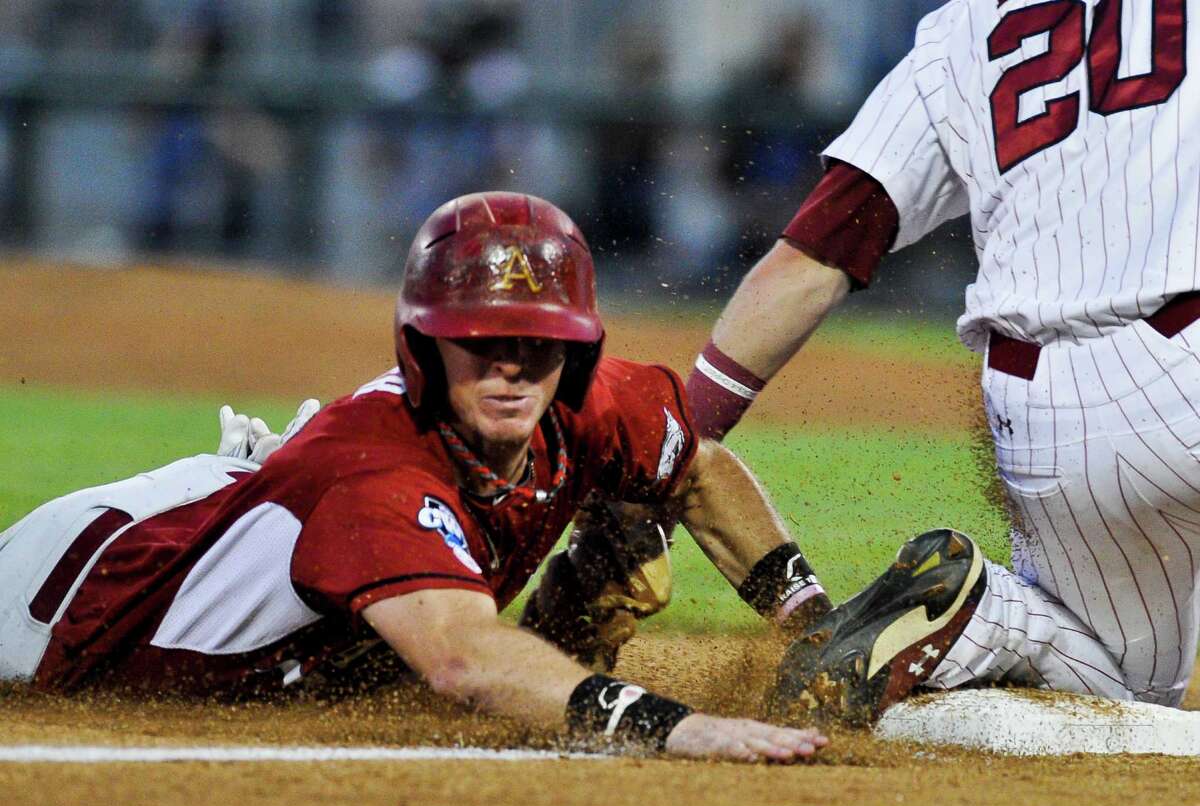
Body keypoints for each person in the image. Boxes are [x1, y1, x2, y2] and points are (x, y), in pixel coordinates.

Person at [0, 191, 831, 762]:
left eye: (537, 342)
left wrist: (815, 631)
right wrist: (675, 728)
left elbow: (698, 473)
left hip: (271, 570)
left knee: (620, 529)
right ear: (423, 346)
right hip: (68, 614)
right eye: (480, 340)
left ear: (576, 351)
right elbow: (462, 662)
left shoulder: (593, 403)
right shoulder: (377, 478)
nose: (510, 368)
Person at [685, 1, 1199, 722]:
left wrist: (677, 441)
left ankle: (986, 617)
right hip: (1189, 335)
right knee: (1138, 713)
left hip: (1049, 414)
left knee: (1132, 703)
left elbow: (816, 254)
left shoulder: (961, 32)